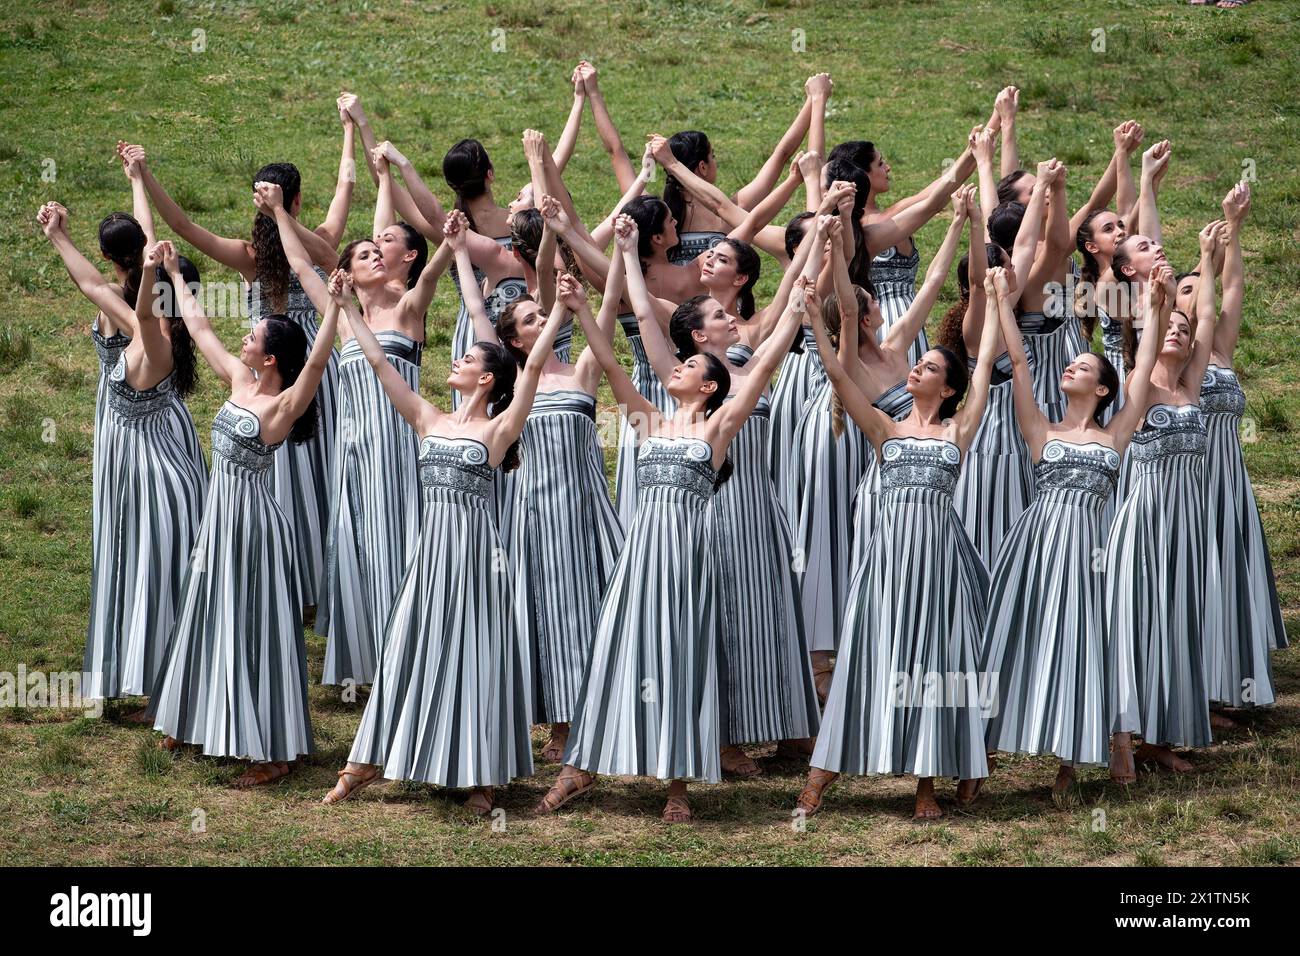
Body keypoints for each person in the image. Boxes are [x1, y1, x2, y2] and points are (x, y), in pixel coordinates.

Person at [536, 247, 823, 824]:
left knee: (683, 662)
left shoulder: (717, 430)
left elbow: (762, 369)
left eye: (690, 368)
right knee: (617, 654)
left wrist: (795, 310)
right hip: (639, 558)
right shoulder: (646, 417)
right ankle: (581, 765)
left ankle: (678, 787)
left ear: (711, 387)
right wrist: (579, 309)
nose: (677, 368)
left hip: (690, 561)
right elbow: (614, 365)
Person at [322, 274, 568, 816]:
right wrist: (347, 310)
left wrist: (555, 318)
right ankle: (365, 762)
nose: (454, 361)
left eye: (466, 359)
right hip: (429, 557)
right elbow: (382, 368)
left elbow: (528, 372)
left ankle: (481, 774)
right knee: (406, 648)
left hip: (479, 563)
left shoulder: (499, 429)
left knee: (478, 656)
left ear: (486, 377)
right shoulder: (427, 417)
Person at [795, 258, 1005, 822]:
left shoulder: (959, 429)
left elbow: (984, 362)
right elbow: (840, 378)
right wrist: (818, 320)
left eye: (931, 366)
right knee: (868, 655)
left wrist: (998, 302)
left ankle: (928, 782)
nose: (917, 369)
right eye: (919, 364)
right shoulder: (885, 429)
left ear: (950, 386)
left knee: (935, 663)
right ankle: (820, 777)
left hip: (939, 561)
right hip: (886, 561)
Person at [130, 126, 353, 610]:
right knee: (324, 470)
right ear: (296, 203)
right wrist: (350, 132)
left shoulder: (256, 258)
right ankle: (318, 577)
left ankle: (290, 575)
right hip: (319, 371)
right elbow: (345, 188)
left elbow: (186, 228)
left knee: (284, 474)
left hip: (276, 381)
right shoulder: (317, 245)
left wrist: (146, 177)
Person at [148, 240, 338, 788]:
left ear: (271, 357)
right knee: (206, 609)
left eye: (252, 338)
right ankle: (190, 714)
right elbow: (200, 327)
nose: (243, 338)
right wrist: (170, 275)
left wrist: (338, 311)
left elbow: (318, 362)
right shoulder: (238, 379)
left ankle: (272, 753)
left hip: (255, 529)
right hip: (220, 520)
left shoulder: (280, 407)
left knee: (257, 627)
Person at [980, 246, 1163, 797]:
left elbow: (1145, 362)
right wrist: (1002, 306)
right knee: (1018, 637)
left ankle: (1076, 755)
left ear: (1104, 389)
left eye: (1084, 366)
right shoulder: (1040, 429)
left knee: (1087, 641)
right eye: (1070, 363)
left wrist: (1151, 311)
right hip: (1037, 547)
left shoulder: (1116, 433)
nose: (1071, 366)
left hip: (1093, 553)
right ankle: (980, 753)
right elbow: (1018, 365)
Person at [39, 205, 208, 708]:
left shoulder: (153, 344)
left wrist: (153, 269)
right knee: (146, 570)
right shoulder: (151, 333)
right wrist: (58, 237)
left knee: (158, 576)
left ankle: (172, 682)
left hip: (157, 480)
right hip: (151, 466)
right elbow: (94, 285)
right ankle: (159, 676)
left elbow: (120, 298)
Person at [1106, 223, 1227, 781]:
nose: (1178, 333)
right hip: (1144, 520)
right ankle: (1121, 737)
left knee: (1177, 623)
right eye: (1167, 329)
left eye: (1184, 329)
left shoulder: (1191, 387)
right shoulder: (1141, 385)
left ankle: (1159, 737)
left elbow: (1207, 317)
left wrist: (1208, 255)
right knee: (1136, 625)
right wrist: (1156, 308)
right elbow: (1151, 337)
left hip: (1188, 523)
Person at [1197, 184, 1285, 717]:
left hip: (1231, 481)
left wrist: (1235, 227)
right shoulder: (1170, 365)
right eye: (1185, 295)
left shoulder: (1221, 351)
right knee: (1200, 576)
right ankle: (1199, 690)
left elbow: (1230, 289)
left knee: (1232, 575)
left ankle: (1236, 682)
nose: (1196, 303)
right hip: (1189, 485)